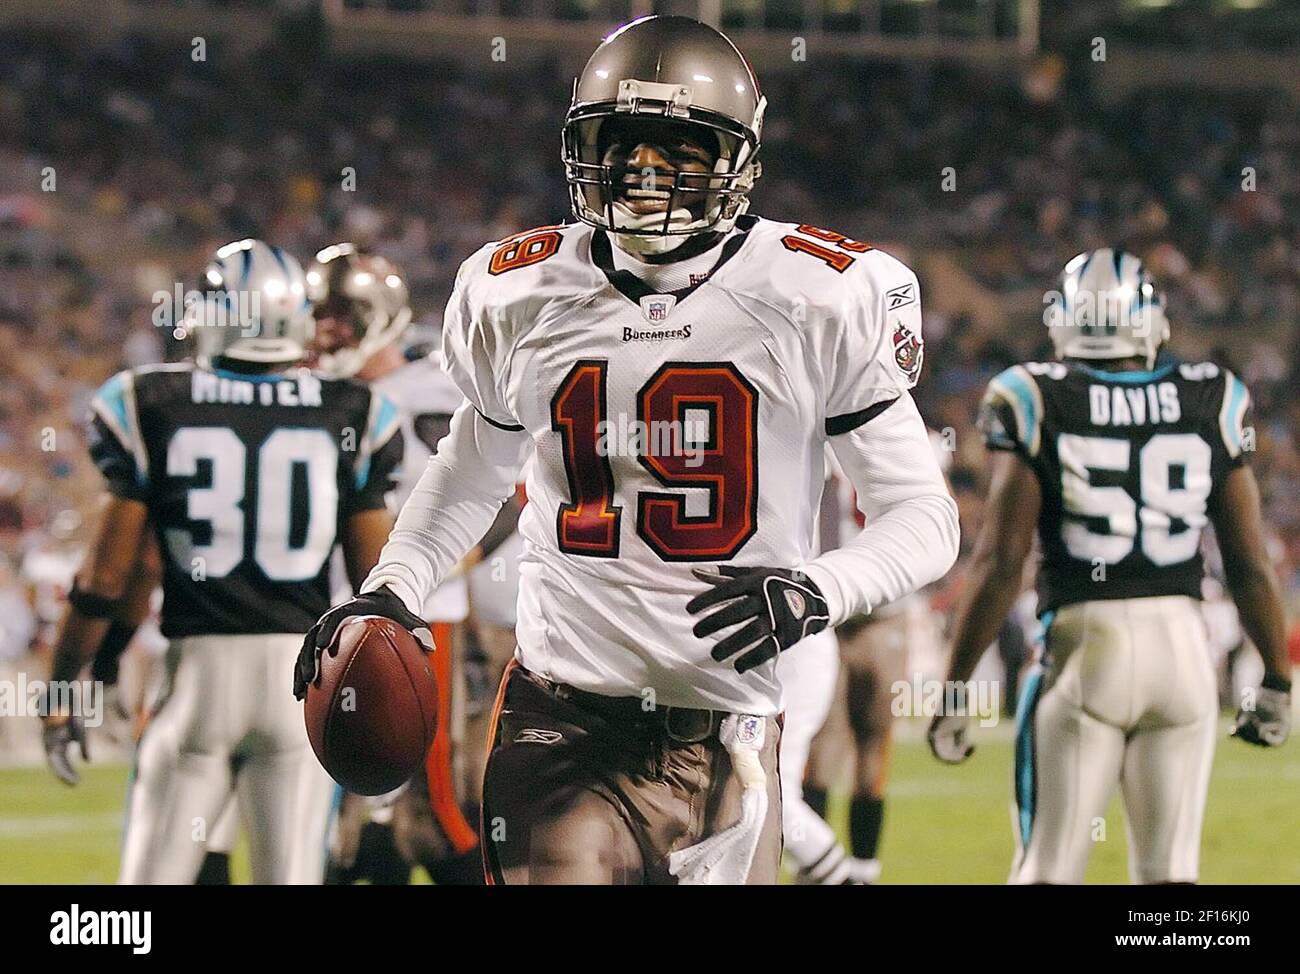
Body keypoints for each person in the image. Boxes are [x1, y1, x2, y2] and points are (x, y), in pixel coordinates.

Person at [296, 15, 958, 885]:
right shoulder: (521, 291)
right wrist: (392, 587)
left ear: (736, 159)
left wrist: (822, 588)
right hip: (560, 721)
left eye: (675, 150)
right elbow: (473, 464)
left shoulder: (820, 295)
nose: (645, 176)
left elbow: (925, 517)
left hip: (729, 732)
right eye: (624, 146)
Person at [41, 239, 402, 884]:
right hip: (303, 676)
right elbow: (381, 585)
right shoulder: (352, 410)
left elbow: (113, 575)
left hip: (199, 675)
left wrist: (73, 678)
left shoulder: (151, 401)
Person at [930, 248, 1292, 884]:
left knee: (1049, 868)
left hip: (1084, 649)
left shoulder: (1033, 394)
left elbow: (1000, 560)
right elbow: (1249, 562)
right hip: (1184, 653)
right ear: (1151, 322)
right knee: (1170, 880)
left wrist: (957, 684)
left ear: (1066, 321)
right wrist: (1276, 680)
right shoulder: (1214, 394)